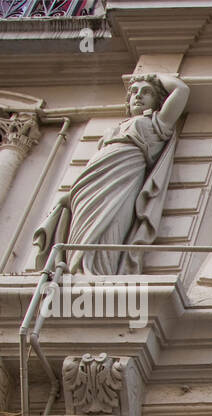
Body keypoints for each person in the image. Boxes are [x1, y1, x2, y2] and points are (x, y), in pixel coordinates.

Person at [34, 73, 189, 275]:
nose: (138, 96)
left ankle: (97, 274)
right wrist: (72, 193)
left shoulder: (156, 124)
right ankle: (76, 271)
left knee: (111, 225)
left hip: (123, 180)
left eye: (146, 92)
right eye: (134, 92)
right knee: (82, 229)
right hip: (90, 182)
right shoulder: (112, 129)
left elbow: (182, 91)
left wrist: (153, 73)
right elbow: (98, 158)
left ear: (158, 100)